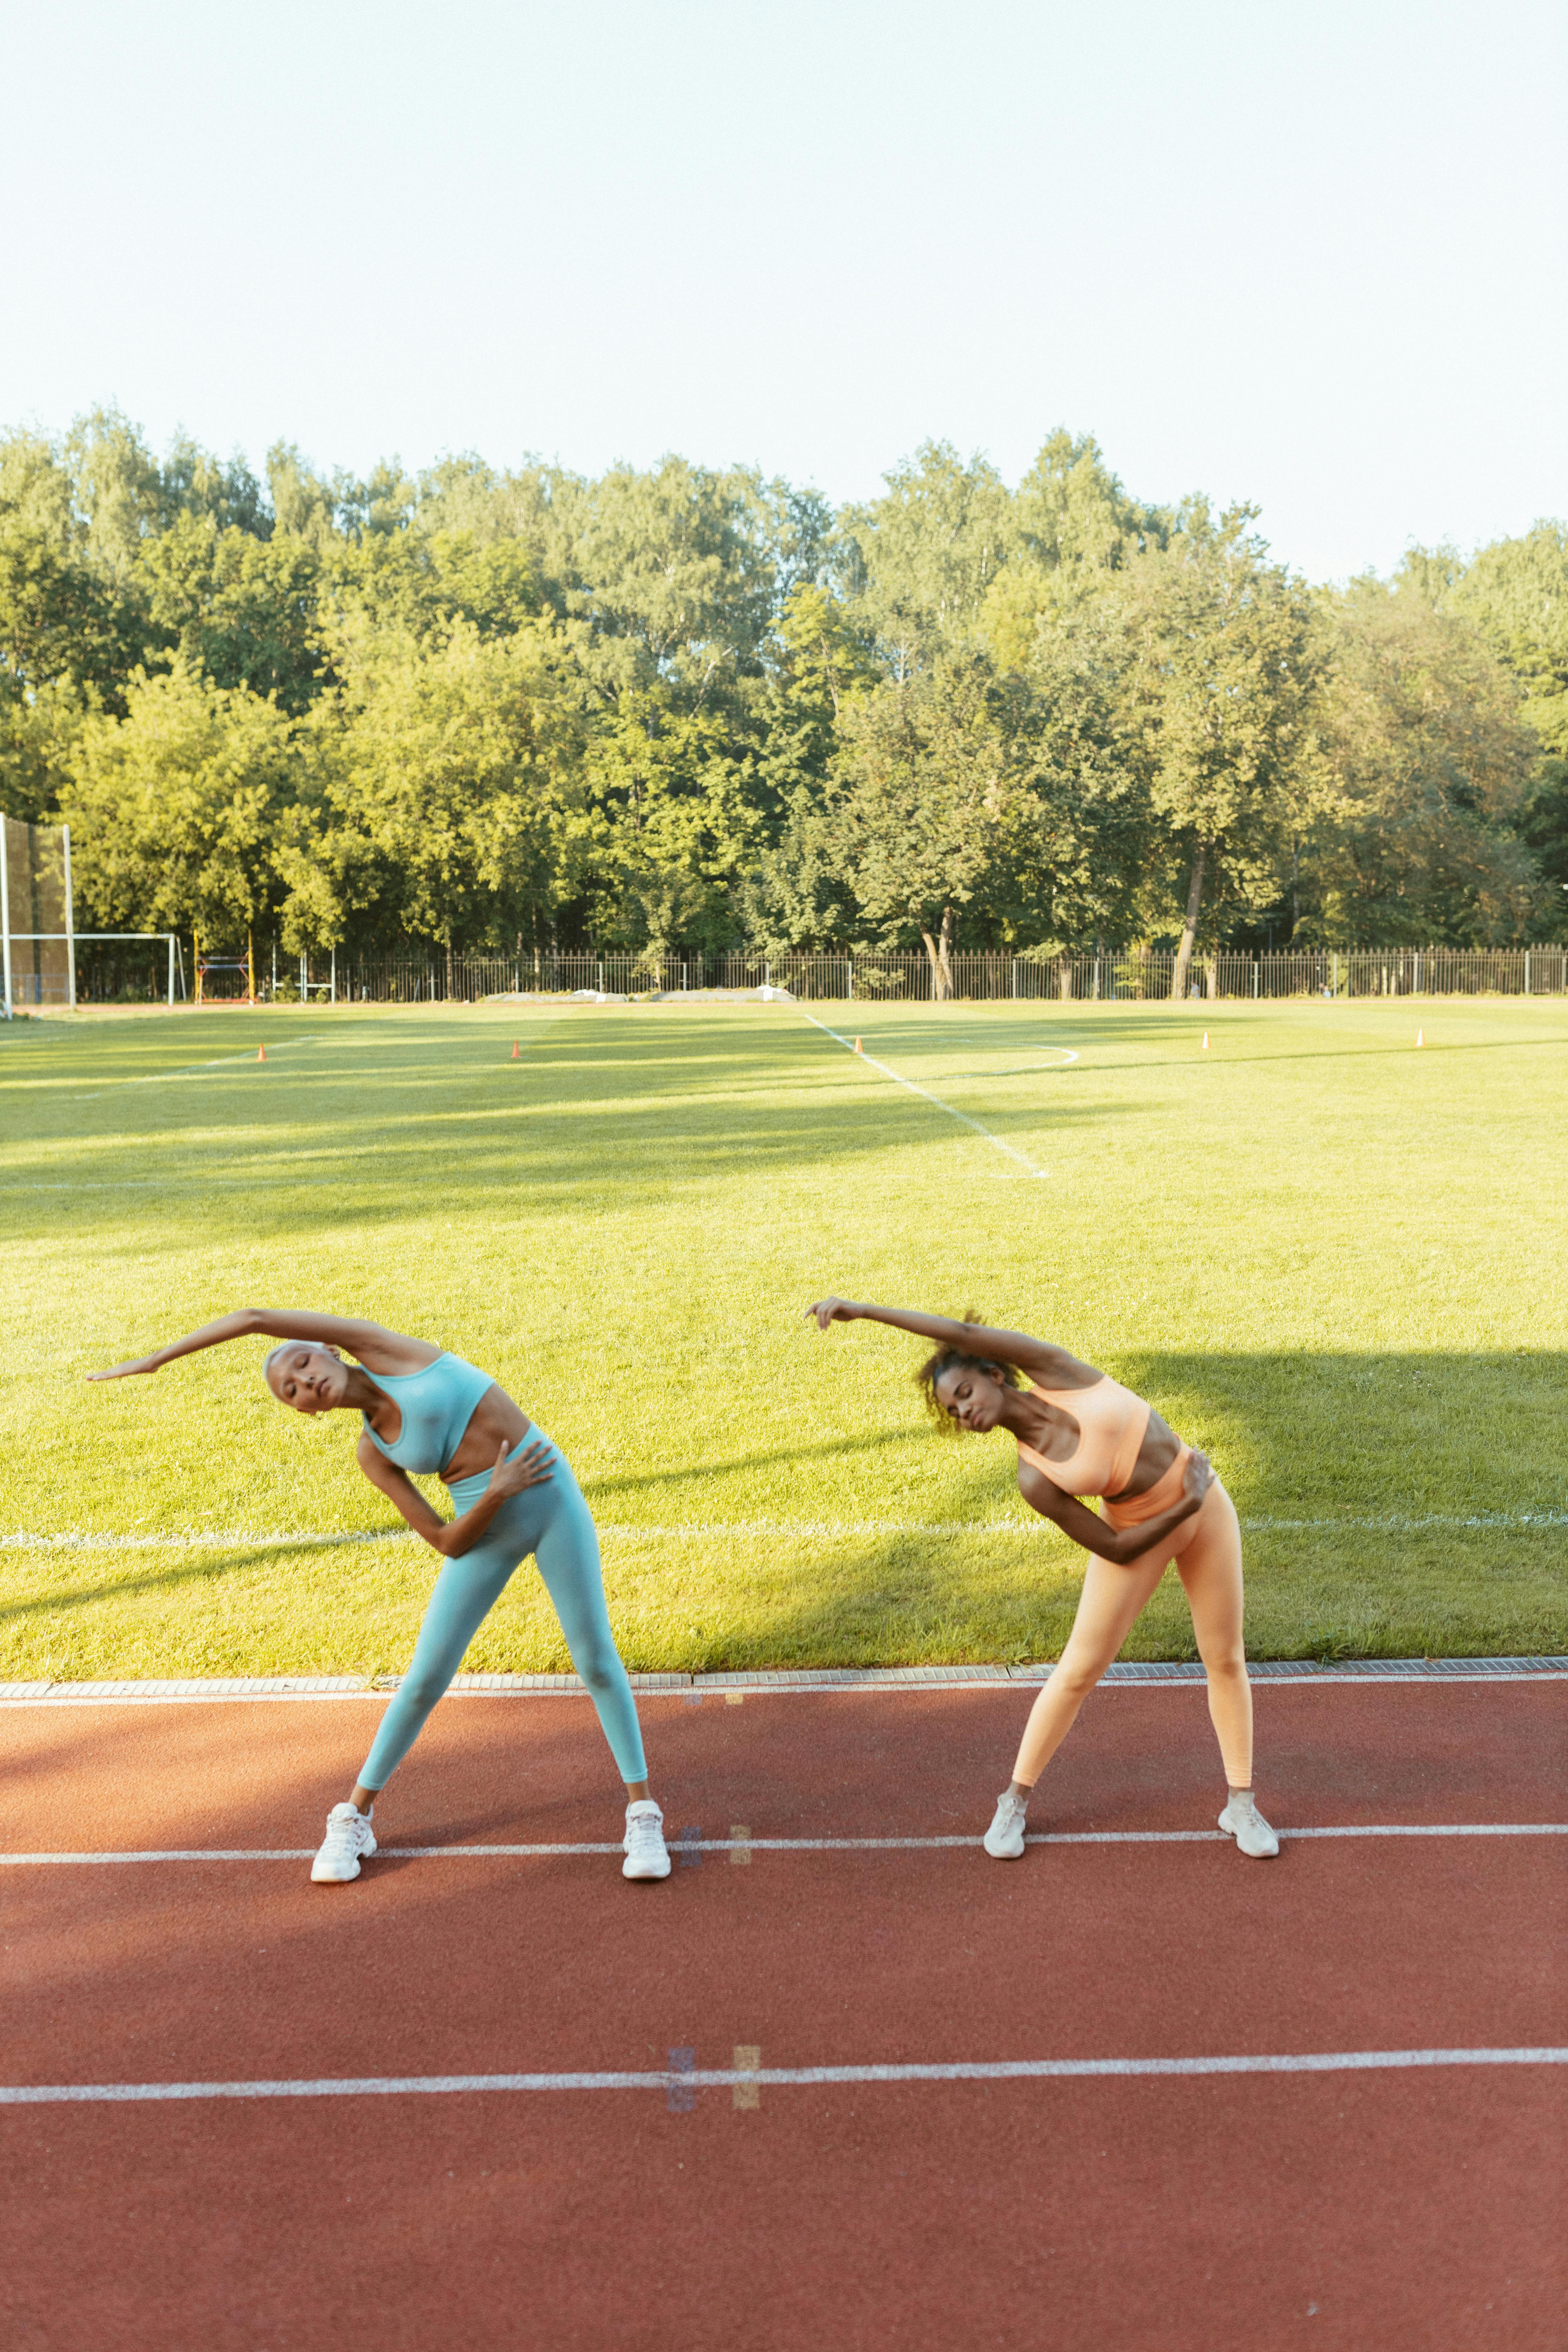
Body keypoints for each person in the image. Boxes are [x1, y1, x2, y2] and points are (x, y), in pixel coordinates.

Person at [89, 1309, 671, 1886]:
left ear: (326, 1350)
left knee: (594, 1657)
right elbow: (446, 1541)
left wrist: (157, 1360)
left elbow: (255, 1316)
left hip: (549, 1497)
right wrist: (495, 1493)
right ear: (306, 1412)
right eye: (290, 1391)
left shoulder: (388, 1353)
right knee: (424, 1679)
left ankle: (643, 1814)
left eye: (302, 1363)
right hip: (487, 1521)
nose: (304, 1382)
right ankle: (354, 1818)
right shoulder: (373, 1454)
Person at [805, 1298, 1279, 1862]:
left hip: (1208, 1509)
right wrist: (1184, 1505)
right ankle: (1014, 1802)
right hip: (1148, 1527)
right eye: (955, 1413)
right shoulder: (1035, 1479)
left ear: (994, 1373)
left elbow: (959, 1330)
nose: (965, 1411)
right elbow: (1113, 1546)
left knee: (1225, 1657)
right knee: (1079, 1669)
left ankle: (1241, 1804)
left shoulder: (1058, 1371)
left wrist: (863, 1311)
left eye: (965, 1394)